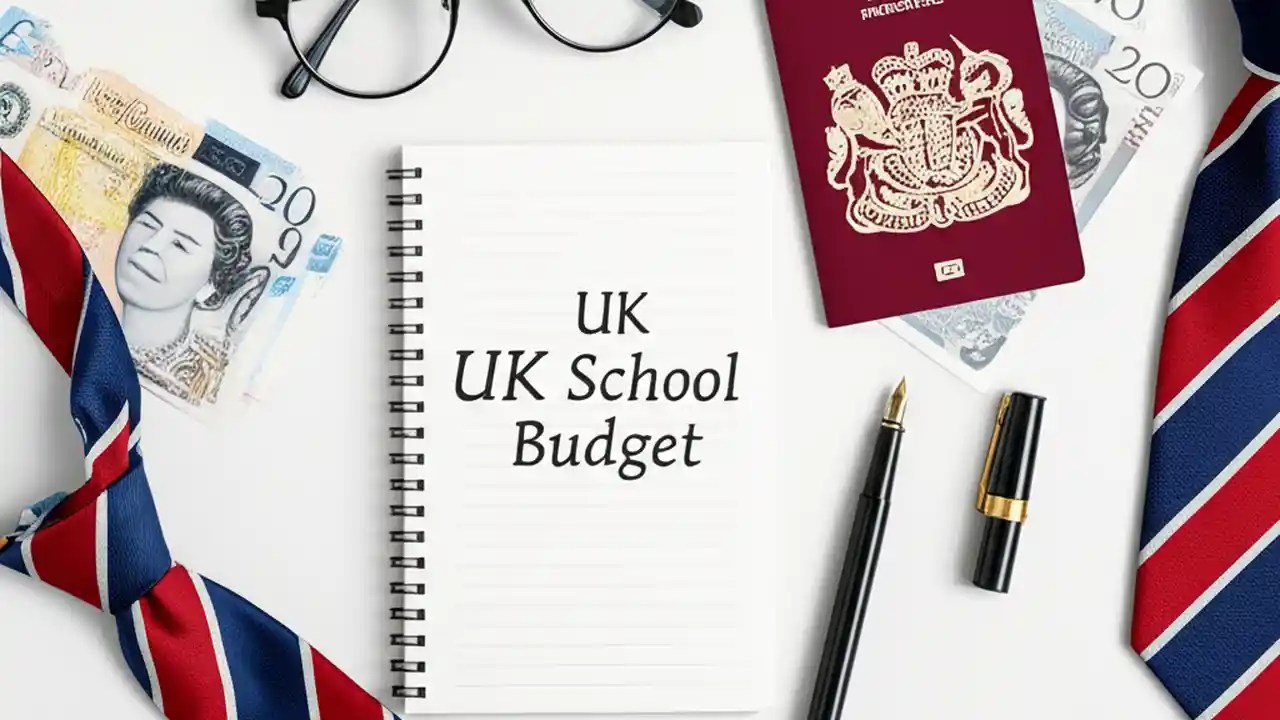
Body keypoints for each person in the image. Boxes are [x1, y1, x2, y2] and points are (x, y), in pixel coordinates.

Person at [114, 163, 266, 406]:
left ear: (212, 284)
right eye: (148, 225)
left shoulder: (209, 383)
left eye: (180, 245)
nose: (150, 245)